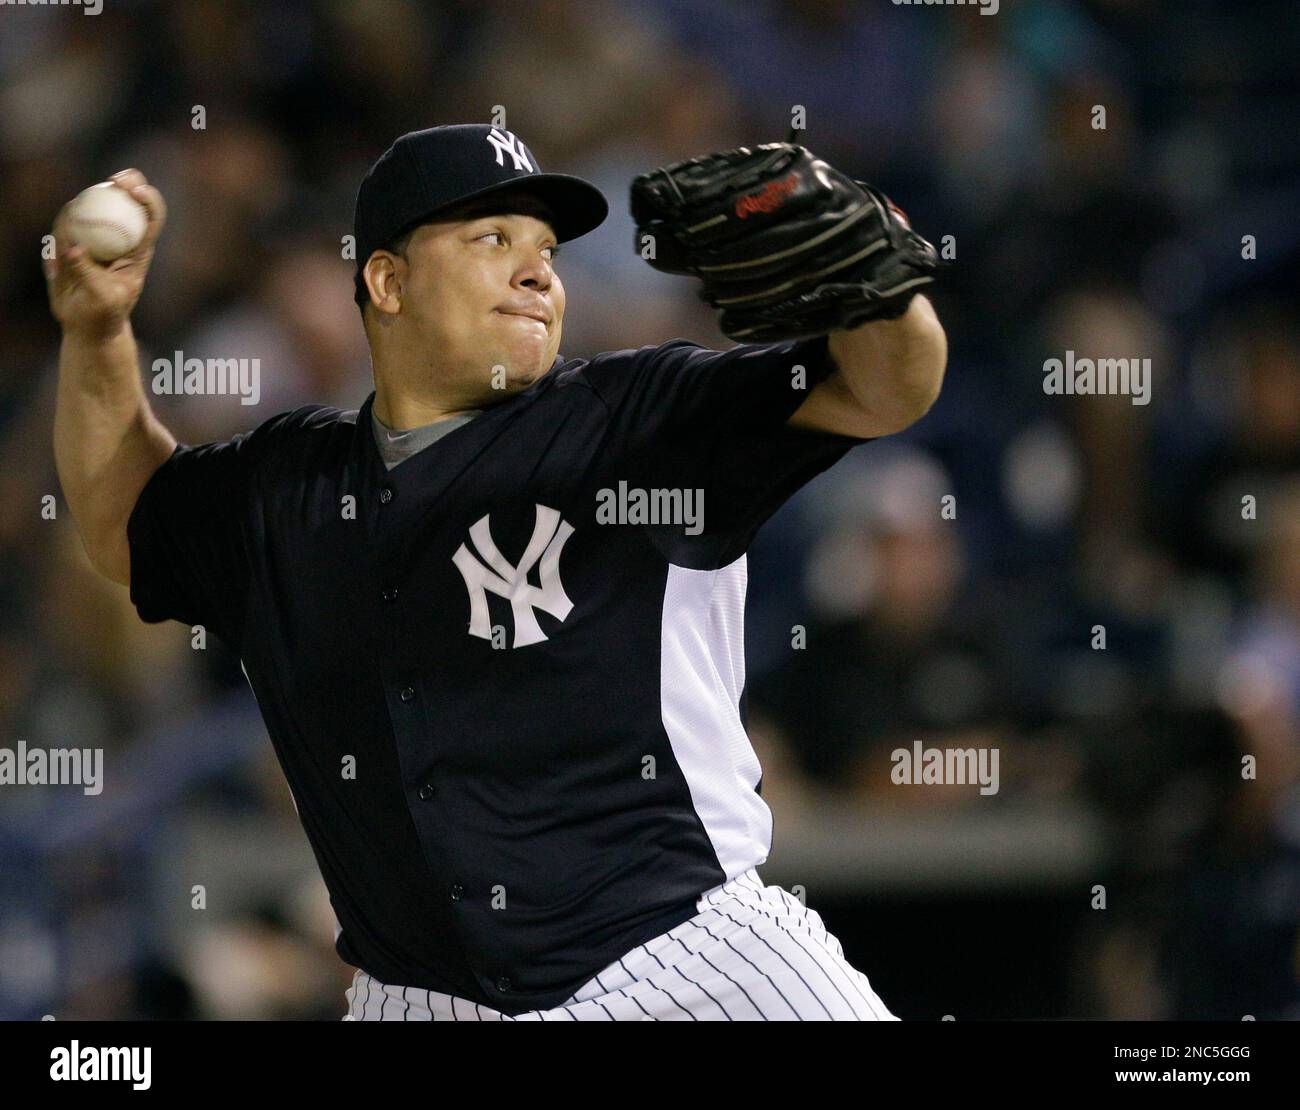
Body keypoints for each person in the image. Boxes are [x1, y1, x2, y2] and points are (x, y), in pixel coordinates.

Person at [45, 124, 946, 1020]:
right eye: (492, 240)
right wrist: (96, 330)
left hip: (693, 964)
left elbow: (885, 387)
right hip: (425, 1003)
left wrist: (871, 278)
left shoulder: (638, 421)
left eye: (545, 249)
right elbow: (124, 516)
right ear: (387, 282)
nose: (538, 272)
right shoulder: (287, 491)